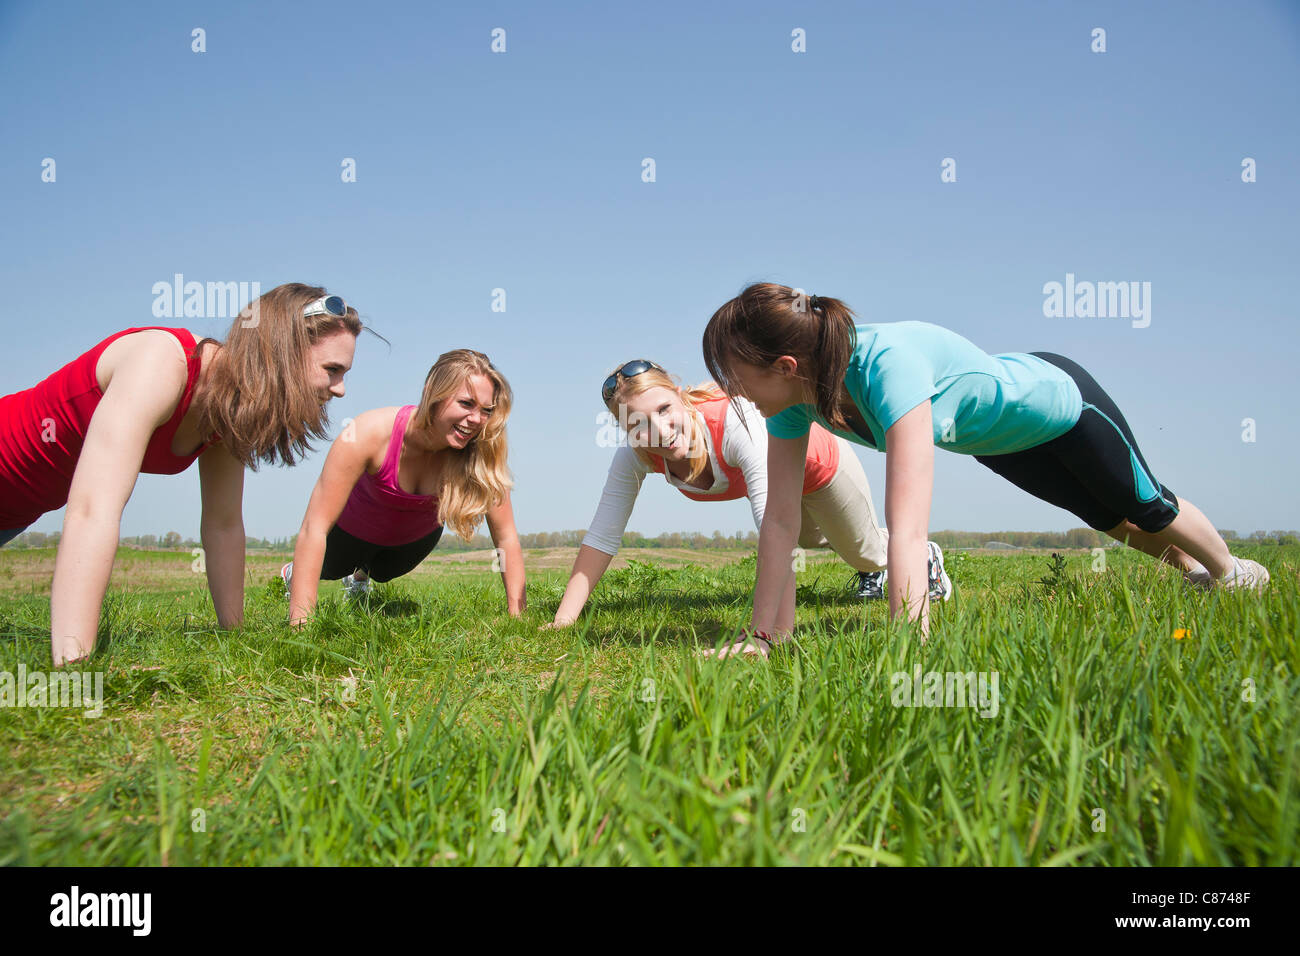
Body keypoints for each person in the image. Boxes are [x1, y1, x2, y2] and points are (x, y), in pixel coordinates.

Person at [701, 282, 1268, 657]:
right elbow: (778, 520)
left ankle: (1231, 573)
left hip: (1063, 406)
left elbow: (910, 530)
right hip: (1000, 444)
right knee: (1108, 518)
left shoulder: (887, 368)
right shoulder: (792, 402)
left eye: (737, 380)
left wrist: (909, 657)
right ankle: (1188, 571)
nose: (734, 394)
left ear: (784, 365)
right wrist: (763, 637)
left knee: (1145, 504)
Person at [0, 283, 362, 664]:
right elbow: (93, 508)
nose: (340, 390)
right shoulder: (160, 362)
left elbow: (223, 525)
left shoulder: (227, 411)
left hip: (19, 510)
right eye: (332, 370)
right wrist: (74, 664)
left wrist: (235, 639)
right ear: (282, 353)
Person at [546, 360, 951, 631]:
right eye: (639, 423)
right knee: (813, 539)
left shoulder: (737, 422)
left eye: (665, 408)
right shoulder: (636, 454)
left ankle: (921, 558)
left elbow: (774, 527)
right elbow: (602, 536)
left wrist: (774, 636)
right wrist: (564, 620)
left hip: (819, 468)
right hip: (783, 495)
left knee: (865, 552)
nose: (661, 431)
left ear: (681, 394)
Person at [283, 349, 524, 625]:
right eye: (466, 403)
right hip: (350, 534)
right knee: (332, 567)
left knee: (383, 572)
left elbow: (506, 538)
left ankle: (362, 577)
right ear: (433, 392)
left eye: (486, 410)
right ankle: (294, 573)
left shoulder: (481, 452)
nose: (476, 420)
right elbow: (315, 527)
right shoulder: (368, 431)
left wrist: (517, 617)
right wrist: (301, 624)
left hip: (409, 544)